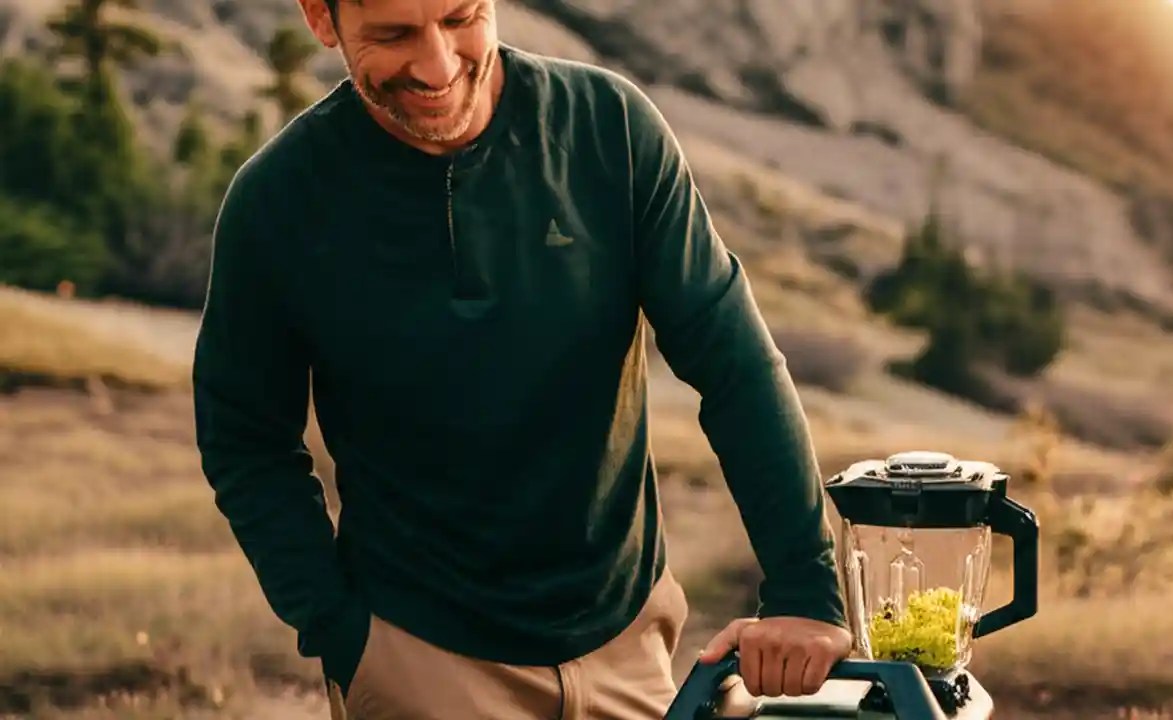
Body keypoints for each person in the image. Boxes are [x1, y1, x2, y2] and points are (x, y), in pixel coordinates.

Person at [192, 0, 852, 717]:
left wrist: (804, 592)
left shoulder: (611, 129)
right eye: (394, 35)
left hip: (629, 644)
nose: (439, 65)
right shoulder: (278, 201)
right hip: (419, 659)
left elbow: (736, 366)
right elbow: (247, 440)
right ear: (322, 17)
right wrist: (343, 634)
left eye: (460, 17)